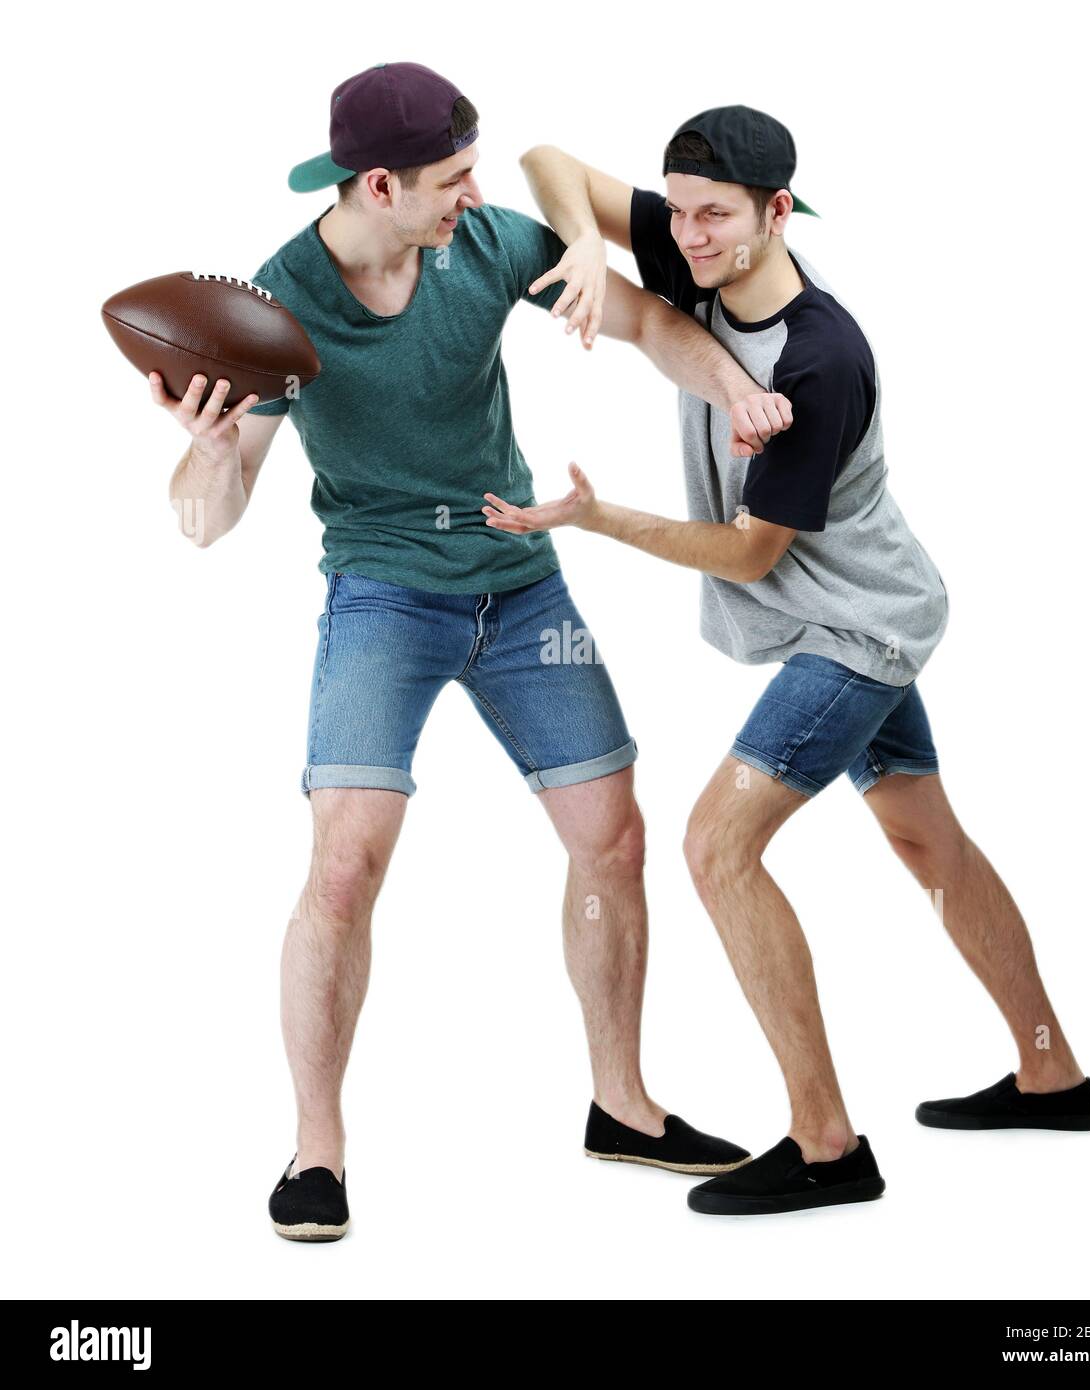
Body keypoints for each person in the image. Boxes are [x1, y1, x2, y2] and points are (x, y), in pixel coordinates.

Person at [157, 67, 800, 1241]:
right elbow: (213, 511)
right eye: (454, 180)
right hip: (383, 594)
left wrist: (734, 393)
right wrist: (204, 453)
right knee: (344, 860)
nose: (476, 193)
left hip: (516, 579)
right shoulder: (281, 300)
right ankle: (316, 1151)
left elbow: (655, 324)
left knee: (612, 833)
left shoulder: (483, 242)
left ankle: (621, 1103)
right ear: (380, 184)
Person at [493, 107, 1090, 1218]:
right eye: (671, 212)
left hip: (856, 634)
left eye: (713, 215)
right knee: (927, 837)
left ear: (779, 212)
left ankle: (826, 1148)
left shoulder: (817, 360)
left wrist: (593, 518)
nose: (684, 238)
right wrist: (588, 238)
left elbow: (743, 551)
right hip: (867, 609)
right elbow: (542, 160)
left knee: (715, 847)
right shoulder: (696, 243)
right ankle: (1049, 1076)